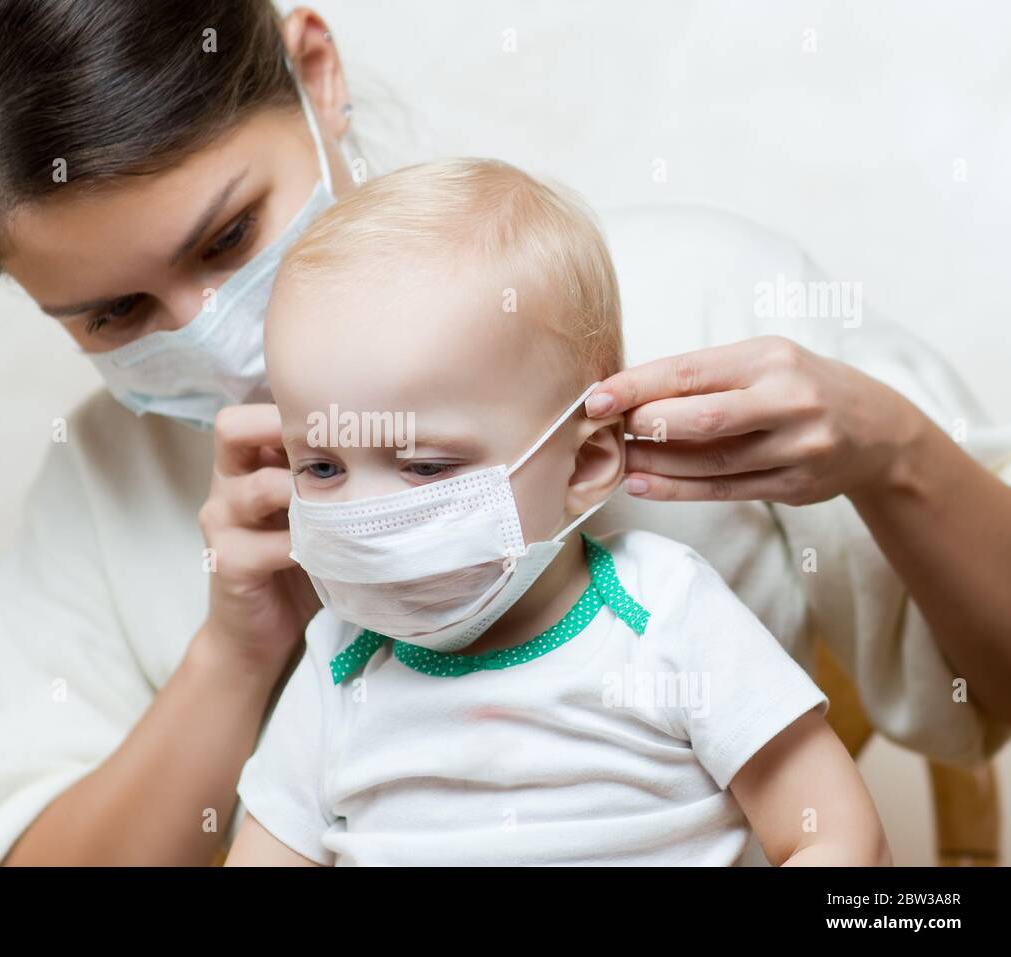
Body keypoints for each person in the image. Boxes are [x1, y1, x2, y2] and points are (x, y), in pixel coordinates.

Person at [0, 0, 1010, 865]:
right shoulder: (101, 484)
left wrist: (894, 457)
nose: (217, 338)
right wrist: (237, 651)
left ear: (315, 76)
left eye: (229, 239)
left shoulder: (695, 298)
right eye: (113, 315)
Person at [226, 158, 890, 866]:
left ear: (587, 462)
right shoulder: (338, 659)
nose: (364, 517)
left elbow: (834, 832)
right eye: (322, 467)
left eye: (425, 466)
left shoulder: (663, 615)